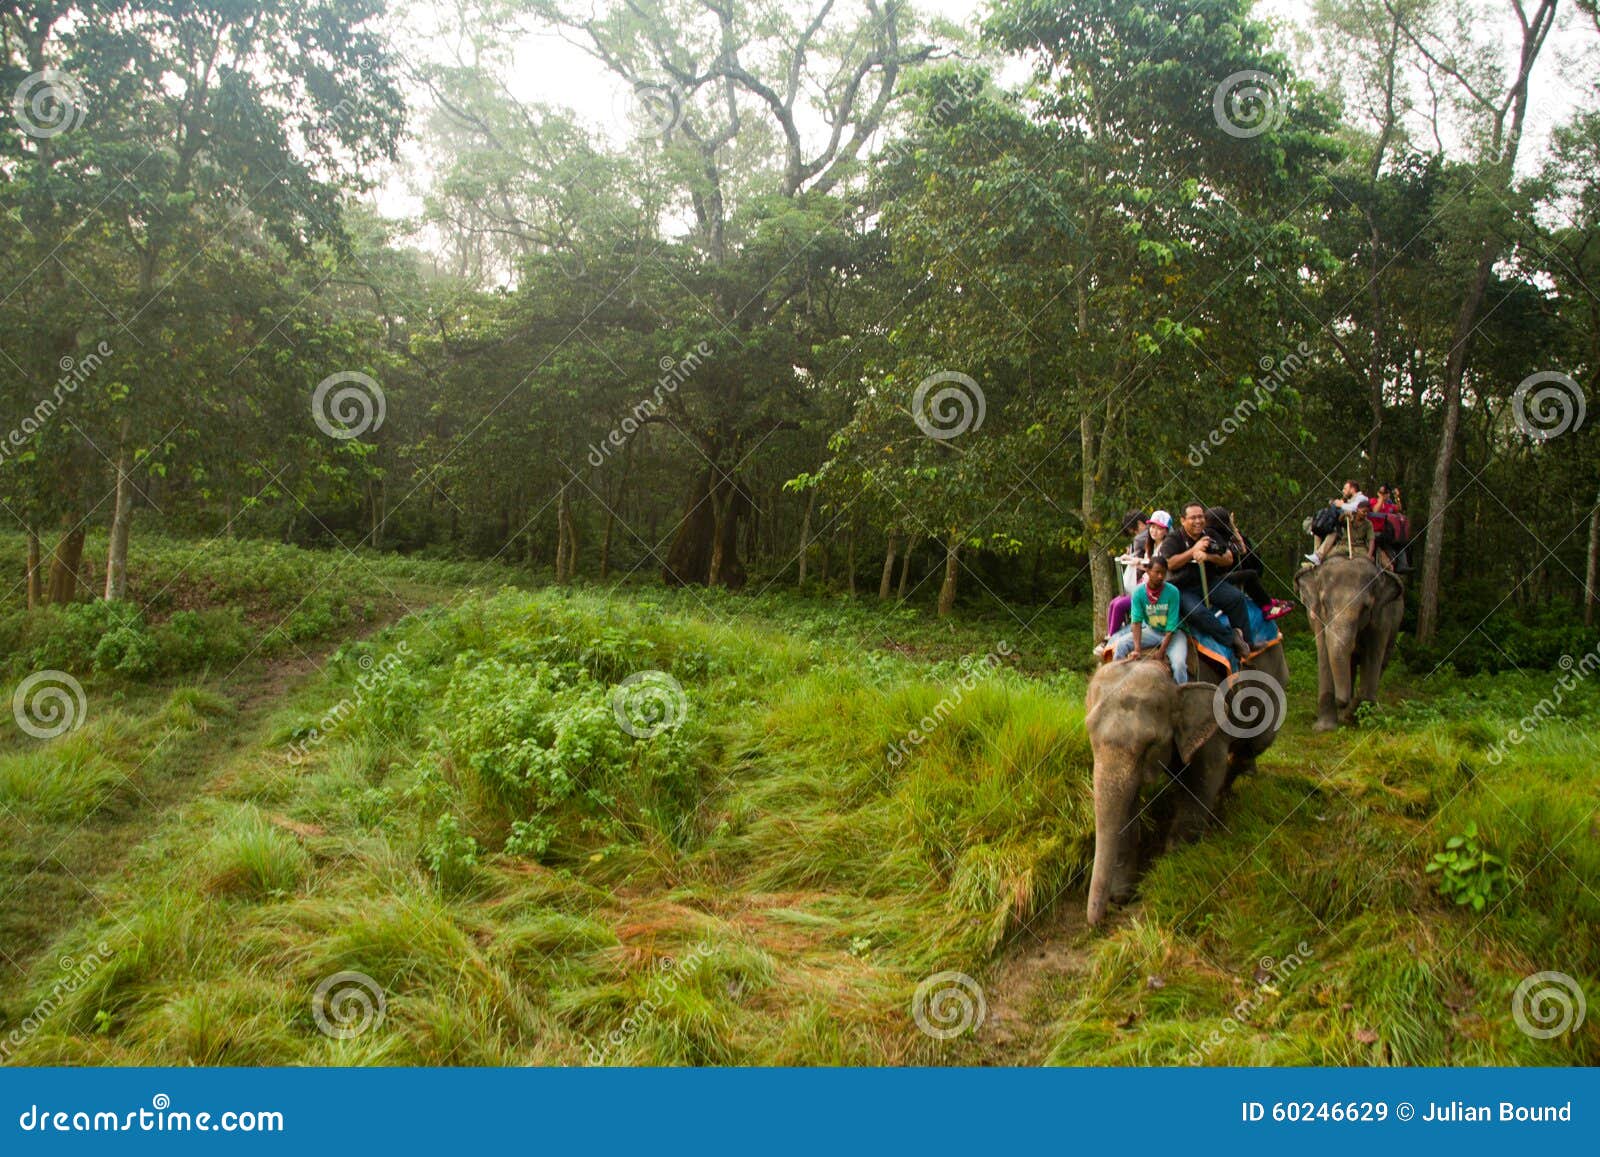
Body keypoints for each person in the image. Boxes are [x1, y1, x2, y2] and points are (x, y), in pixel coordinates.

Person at [1158, 501, 1255, 658]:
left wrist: (1209, 556)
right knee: (1197, 613)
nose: (1198, 521)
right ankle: (1232, 639)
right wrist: (1192, 552)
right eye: (1193, 518)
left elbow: (1229, 558)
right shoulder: (1173, 539)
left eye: (1201, 517)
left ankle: (1249, 645)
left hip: (1209, 582)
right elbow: (1169, 563)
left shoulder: (1210, 534)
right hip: (1182, 587)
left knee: (1236, 598)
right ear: (1183, 520)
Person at [1207, 506, 1293, 620]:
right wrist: (1232, 527)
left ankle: (1267, 601)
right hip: (1215, 579)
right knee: (1250, 574)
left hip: (1219, 575)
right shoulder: (1214, 537)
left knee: (1246, 570)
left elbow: (1242, 550)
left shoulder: (1220, 536)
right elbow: (1241, 549)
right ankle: (1267, 607)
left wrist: (1232, 528)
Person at [1112, 555, 1188, 683]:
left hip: (1173, 635)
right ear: (1148, 571)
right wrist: (1137, 649)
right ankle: (1114, 681)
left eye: (1163, 573)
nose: (1160, 576)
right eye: (1157, 572)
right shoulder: (1138, 592)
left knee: (1179, 665)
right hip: (1152, 631)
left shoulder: (1173, 592)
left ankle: (1182, 694)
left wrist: (1161, 651)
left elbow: (1172, 626)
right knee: (1121, 645)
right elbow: (1136, 621)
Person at [1106, 509, 1170, 638]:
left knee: (1120, 605)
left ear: (1166, 531)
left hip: (1155, 590)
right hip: (1144, 586)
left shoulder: (1166, 547)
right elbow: (1148, 563)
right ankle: (1109, 636)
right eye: (1152, 527)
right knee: (1114, 603)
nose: (1153, 531)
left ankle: (1111, 639)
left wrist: (1136, 561)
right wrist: (1133, 560)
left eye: (1159, 528)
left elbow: (1155, 566)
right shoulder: (1151, 545)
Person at [1306, 480, 1369, 565]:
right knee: (1318, 528)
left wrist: (1341, 505)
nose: (1343, 490)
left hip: (1354, 526)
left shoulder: (1361, 498)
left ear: (1352, 489)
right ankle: (1316, 554)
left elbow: (1355, 508)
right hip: (1343, 523)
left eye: (1345, 488)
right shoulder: (1349, 500)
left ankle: (1319, 555)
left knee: (1334, 531)